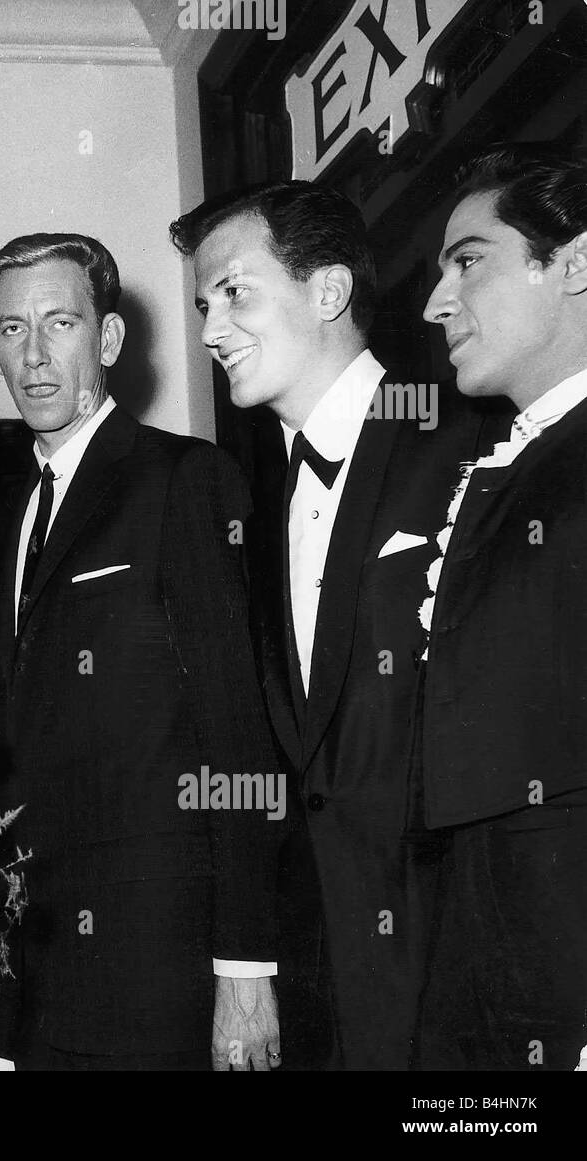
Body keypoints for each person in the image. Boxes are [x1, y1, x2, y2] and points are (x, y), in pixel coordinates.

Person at [171, 181, 483, 1070]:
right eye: (201, 304)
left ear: (329, 291)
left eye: (234, 292)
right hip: (317, 991)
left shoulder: (465, 441)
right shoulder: (250, 497)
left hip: (453, 982)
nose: (208, 331)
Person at [0, 233, 282, 1070]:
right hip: (41, 968)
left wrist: (245, 966)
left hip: (160, 964)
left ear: (107, 340)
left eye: (60, 322)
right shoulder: (6, 518)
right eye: (10, 329)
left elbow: (237, 733)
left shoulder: (185, 479)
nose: (33, 354)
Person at [415, 142, 587, 1070]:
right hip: (480, 948)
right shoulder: (505, 459)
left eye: (468, 261)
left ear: (576, 263)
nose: (437, 301)